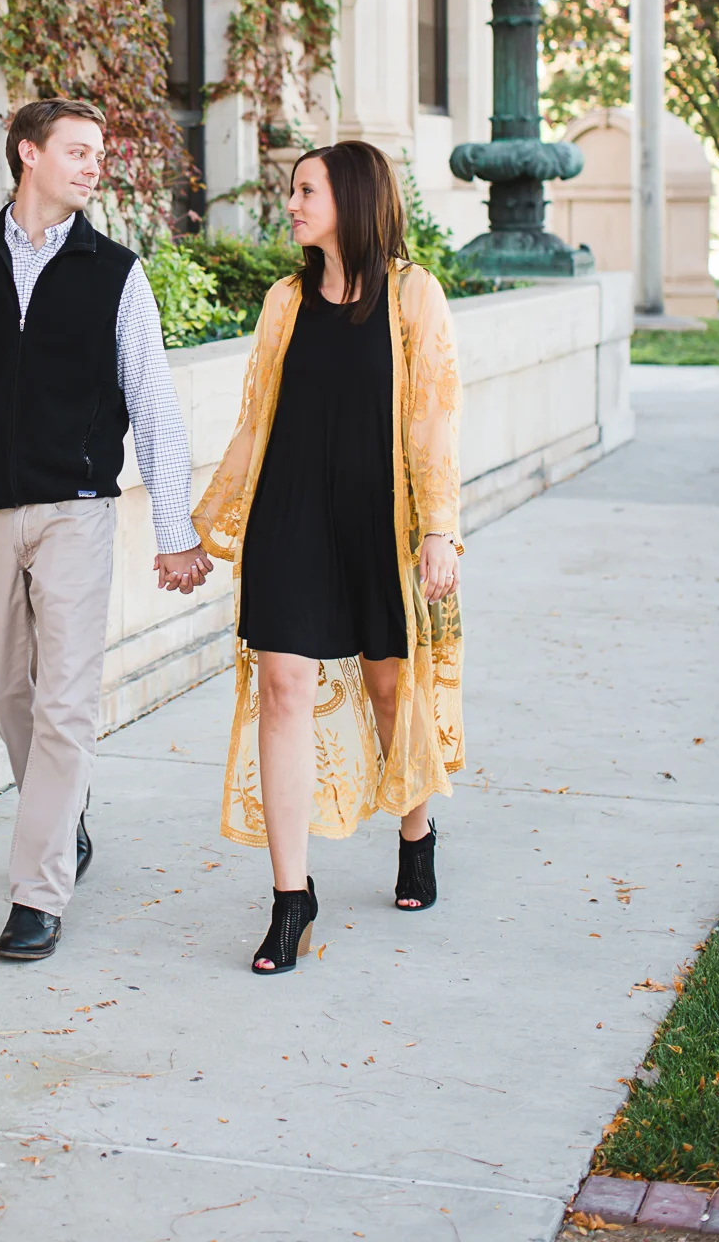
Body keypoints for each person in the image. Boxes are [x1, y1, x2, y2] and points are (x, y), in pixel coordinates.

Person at [0, 98, 211, 962]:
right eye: (76, 152)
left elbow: (153, 404)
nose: (91, 167)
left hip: (78, 508)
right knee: (1, 688)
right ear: (27, 155)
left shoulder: (117, 271)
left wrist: (173, 528)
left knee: (67, 702)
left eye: (97, 155)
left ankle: (36, 894)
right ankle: (63, 810)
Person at [193, 141, 464, 975]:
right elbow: (254, 419)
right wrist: (210, 521)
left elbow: (432, 421)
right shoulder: (285, 301)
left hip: (377, 526)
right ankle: (289, 897)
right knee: (283, 687)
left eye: (305, 189)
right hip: (290, 518)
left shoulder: (414, 296)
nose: (293, 203)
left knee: (388, 685)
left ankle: (413, 833)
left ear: (350, 195)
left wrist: (437, 530)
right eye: (291, 190)